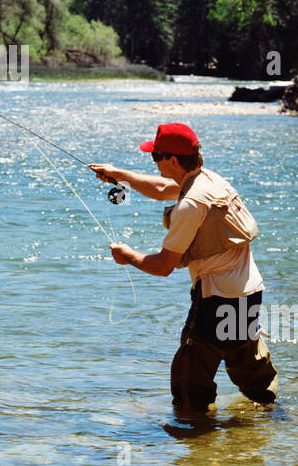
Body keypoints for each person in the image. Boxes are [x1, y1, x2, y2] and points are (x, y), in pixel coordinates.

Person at [90, 122, 278, 418]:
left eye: (156, 157)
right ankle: (272, 426)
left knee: (189, 387)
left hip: (216, 300)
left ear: (173, 160)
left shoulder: (190, 204)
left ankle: (197, 448)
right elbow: (165, 188)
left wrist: (129, 256)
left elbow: (164, 266)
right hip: (250, 293)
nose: (154, 162)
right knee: (253, 375)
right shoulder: (211, 181)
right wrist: (120, 175)